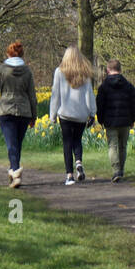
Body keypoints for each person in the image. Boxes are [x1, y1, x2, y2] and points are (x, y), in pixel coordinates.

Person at [0, 40, 38, 188]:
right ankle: (13, 171)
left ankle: (15, 172)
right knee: (16, 144)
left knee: (12, 144)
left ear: (8, 53)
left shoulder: (2, 69)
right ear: (22, 54)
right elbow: (32, 96)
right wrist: (34, 116)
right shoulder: (27, 71)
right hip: (24, 111)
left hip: (5, 111)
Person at [49, 46, 96, 185]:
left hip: (65, 114)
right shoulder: (85, 73)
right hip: (81, 114)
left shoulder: (59, 72)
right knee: (77, 140)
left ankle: (69, 176)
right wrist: (92, 113)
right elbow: (89, 95)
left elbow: (55, 94)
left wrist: (52, 114)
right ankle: (79, 163)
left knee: (67, 143)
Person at [95, 59, 135, 182]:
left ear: (108, 70)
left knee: (112, 146)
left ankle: (116, 170)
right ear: (120, 70)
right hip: (125, 121)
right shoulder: (129, 85)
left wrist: (101, 119)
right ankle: (121, 170)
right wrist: (133, 119)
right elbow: (134, 103)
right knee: (123, 146)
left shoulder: (103, 87)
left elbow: (100, 104)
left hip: (110, 122)